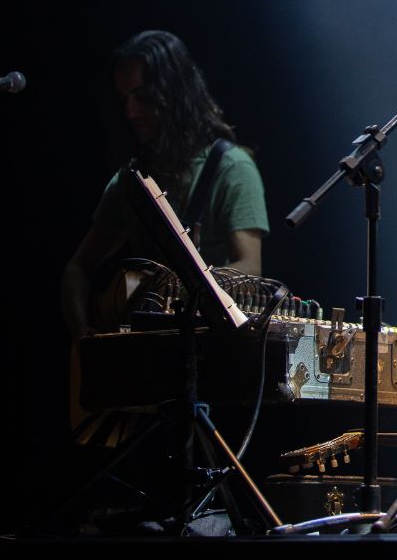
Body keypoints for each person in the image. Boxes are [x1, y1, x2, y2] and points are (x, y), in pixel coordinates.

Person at [61, 30, 270, 342]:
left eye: (142, 96)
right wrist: (82, 337)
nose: (130, 112)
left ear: (175, 92)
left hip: (208, 351)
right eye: (124, 99)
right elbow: (78, 268)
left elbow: (251, 270)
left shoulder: (232, 168)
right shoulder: (130, 180)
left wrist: (181, 284)